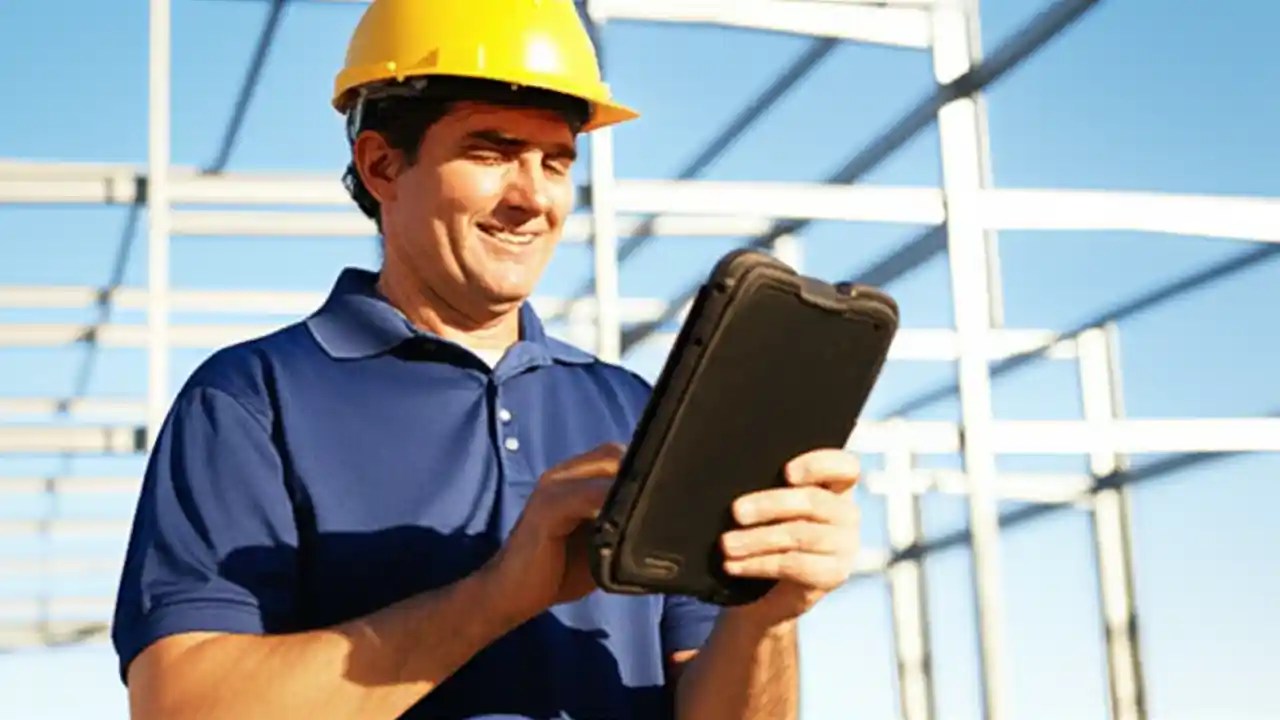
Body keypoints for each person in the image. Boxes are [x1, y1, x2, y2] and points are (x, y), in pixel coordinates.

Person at [110, 1, 863, 718]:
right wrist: (499, 595)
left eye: (557, 162)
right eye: (492, 151)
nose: (532, 197)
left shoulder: (634, 412)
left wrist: (767, 617)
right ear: (380, 166)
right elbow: (180, 707)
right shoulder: (250, 402)